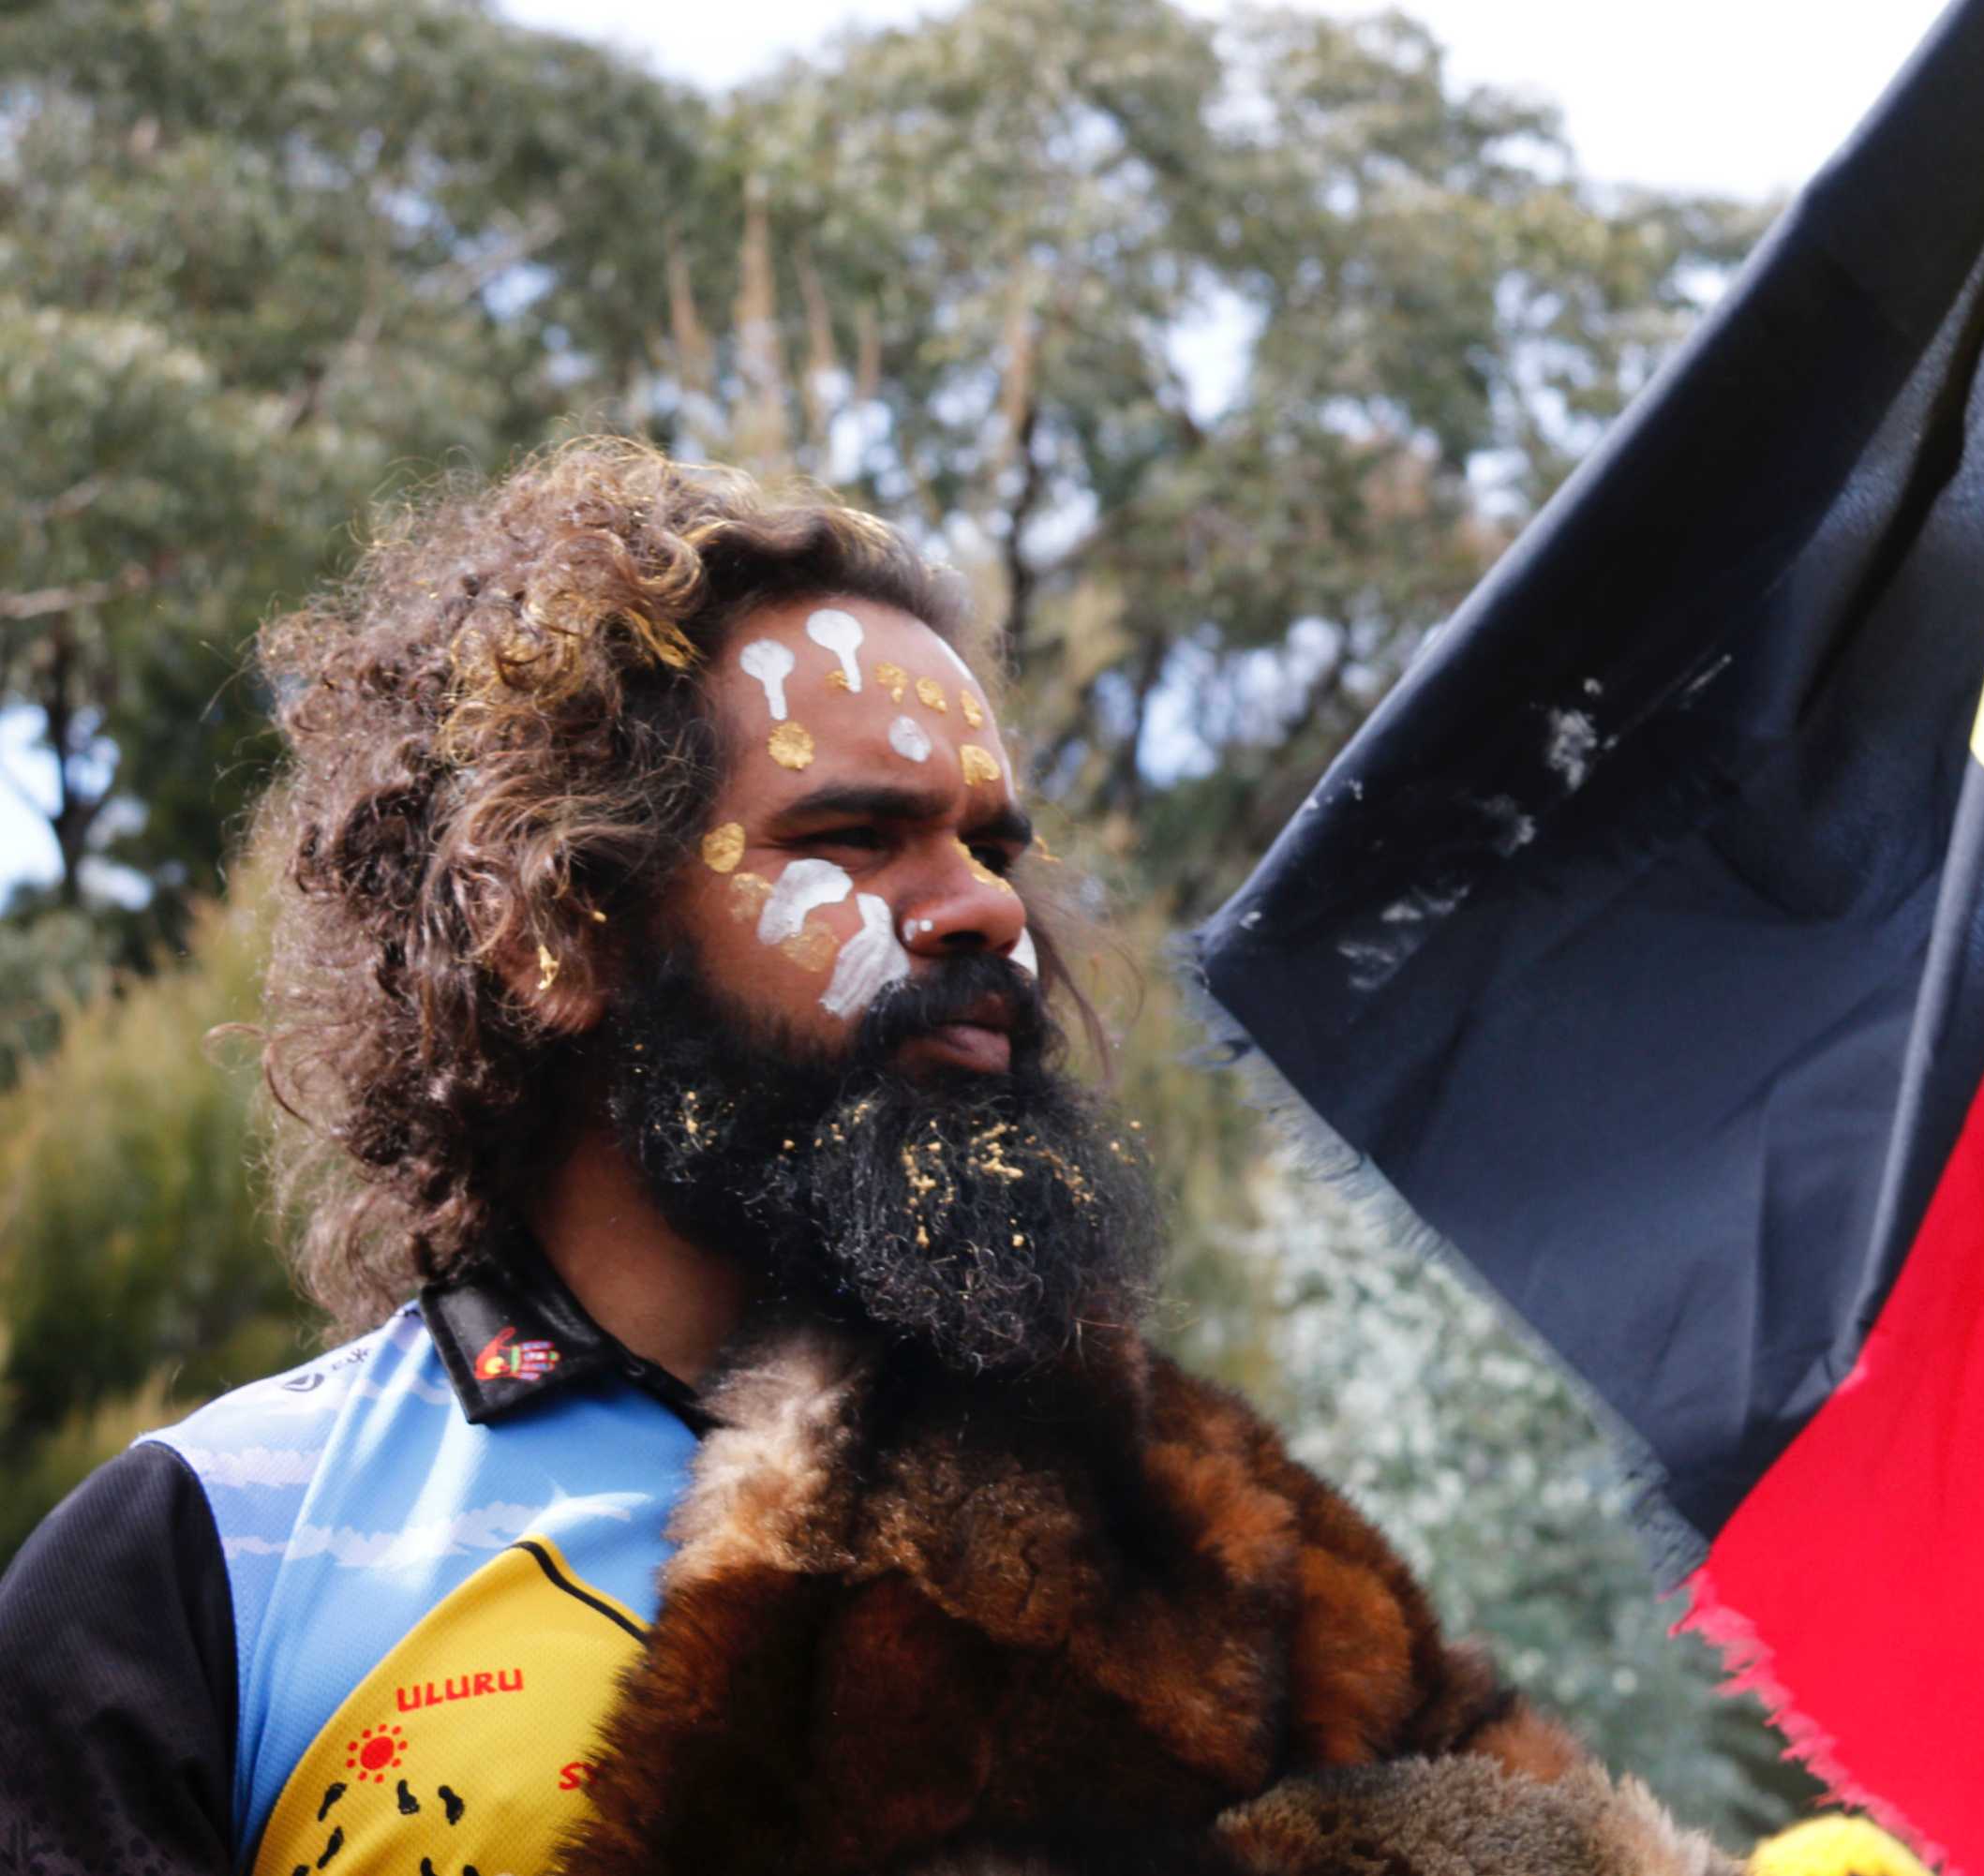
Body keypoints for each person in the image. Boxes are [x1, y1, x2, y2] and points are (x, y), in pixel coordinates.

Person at [0, 439, 1731, 1876]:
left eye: (991, 841)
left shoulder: (1195, 1530)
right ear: (563, 925)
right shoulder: (223, 1555)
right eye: (857, 835)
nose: (988, 903)